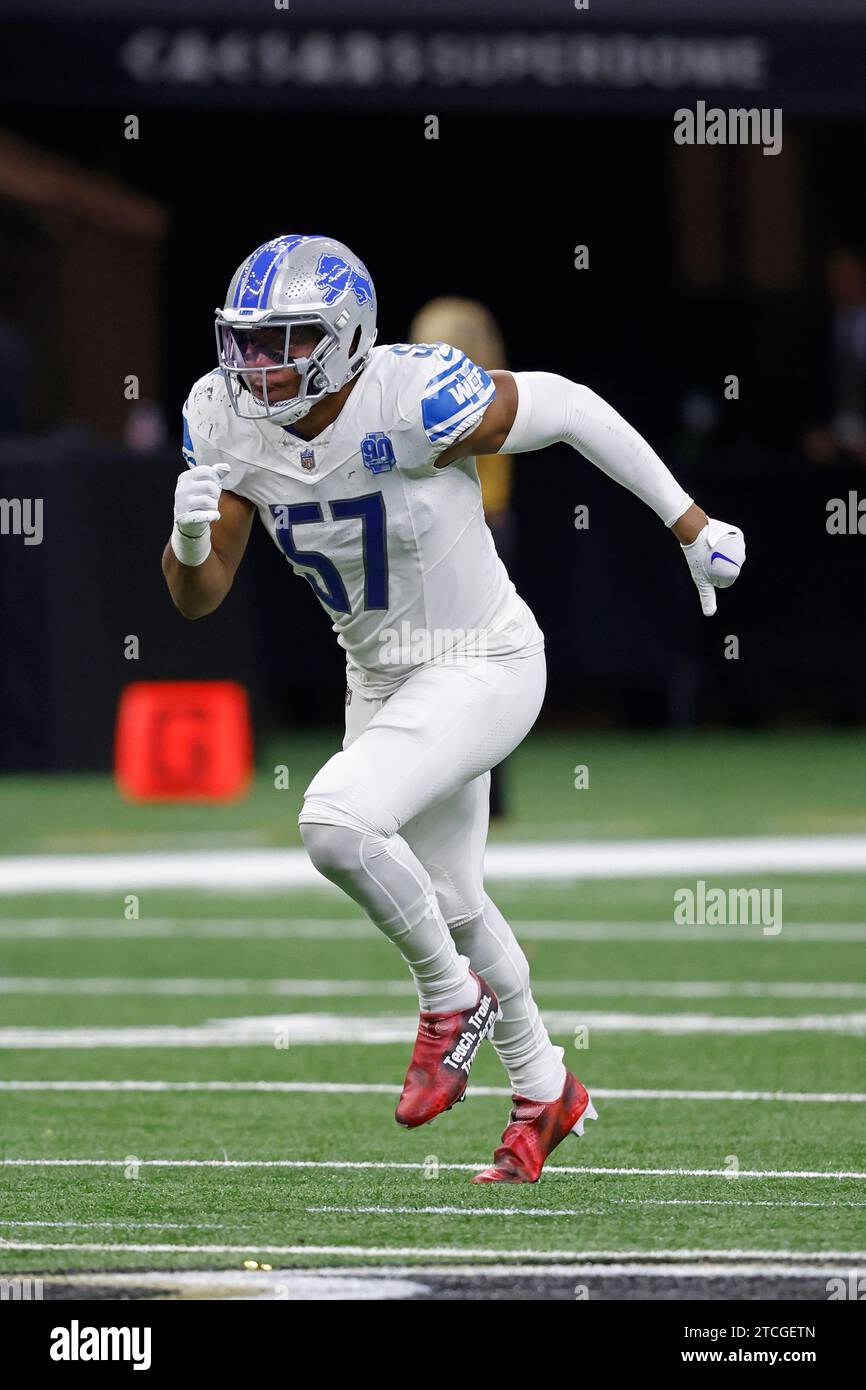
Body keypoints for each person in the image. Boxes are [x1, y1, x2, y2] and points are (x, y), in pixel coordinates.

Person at [163, 234, 745, 1183]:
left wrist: (688, 521)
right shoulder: (222, 418)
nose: (261, 367)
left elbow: (570, 407)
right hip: (380, 678)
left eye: (288, 340)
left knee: (334, 823)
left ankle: (449, 1000)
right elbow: (200, 592)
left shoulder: (415, 396)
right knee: (455, 899)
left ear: (346, 337)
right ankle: (546, 1089)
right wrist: (190, 541)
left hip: (483, 659)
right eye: (250, 342)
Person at [409, 296, 515, 818]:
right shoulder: (489, 391)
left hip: (473, 529)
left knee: (462, 665)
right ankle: (477, 792)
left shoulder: (467, 399)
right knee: (468, 667)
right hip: (483, 526)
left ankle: (473, 790)